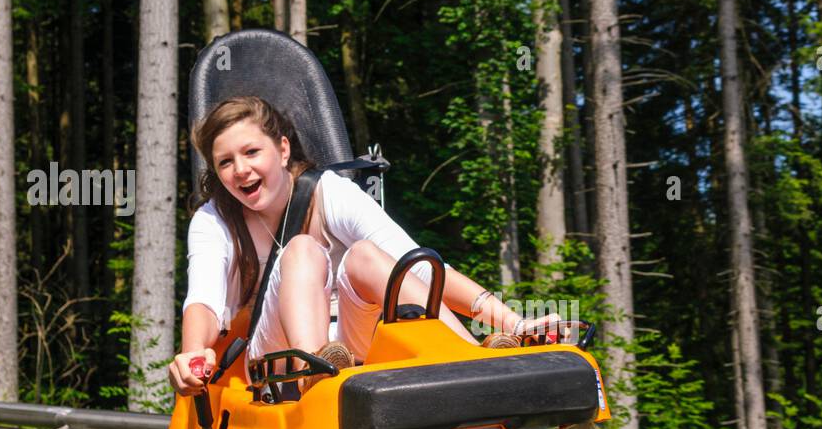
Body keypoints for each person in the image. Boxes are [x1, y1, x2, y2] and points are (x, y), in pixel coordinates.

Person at [168, 95, 556, 397]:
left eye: (251, 152)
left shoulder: (329, 191)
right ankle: (315, 378)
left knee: (367, 255)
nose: (240, 170)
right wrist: (192, 352)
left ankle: (472, 359)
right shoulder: (215, 220)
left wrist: (513, 322)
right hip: (276, 354)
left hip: (352, 341)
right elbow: (203, 301)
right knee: (302, 249)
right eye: (225, 162)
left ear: (283, 150)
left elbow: (415, 269)